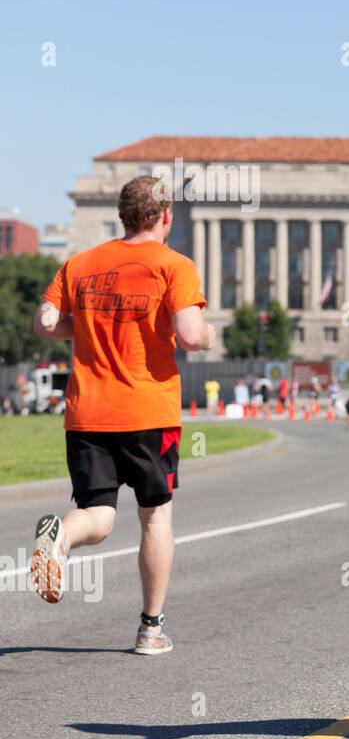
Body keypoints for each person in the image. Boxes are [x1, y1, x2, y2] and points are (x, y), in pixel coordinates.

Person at [29, 175, 214, 654]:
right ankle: (150, 630)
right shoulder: (174, 265)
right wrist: (208, 334)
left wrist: (90, 326)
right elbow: (191, 336)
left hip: (87, 412)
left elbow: (45, 322)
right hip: (148, 411)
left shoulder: (80, 263)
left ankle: (61, 536)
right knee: (155, 518)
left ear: (122, 215)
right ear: (166, 216)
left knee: (98, 515)